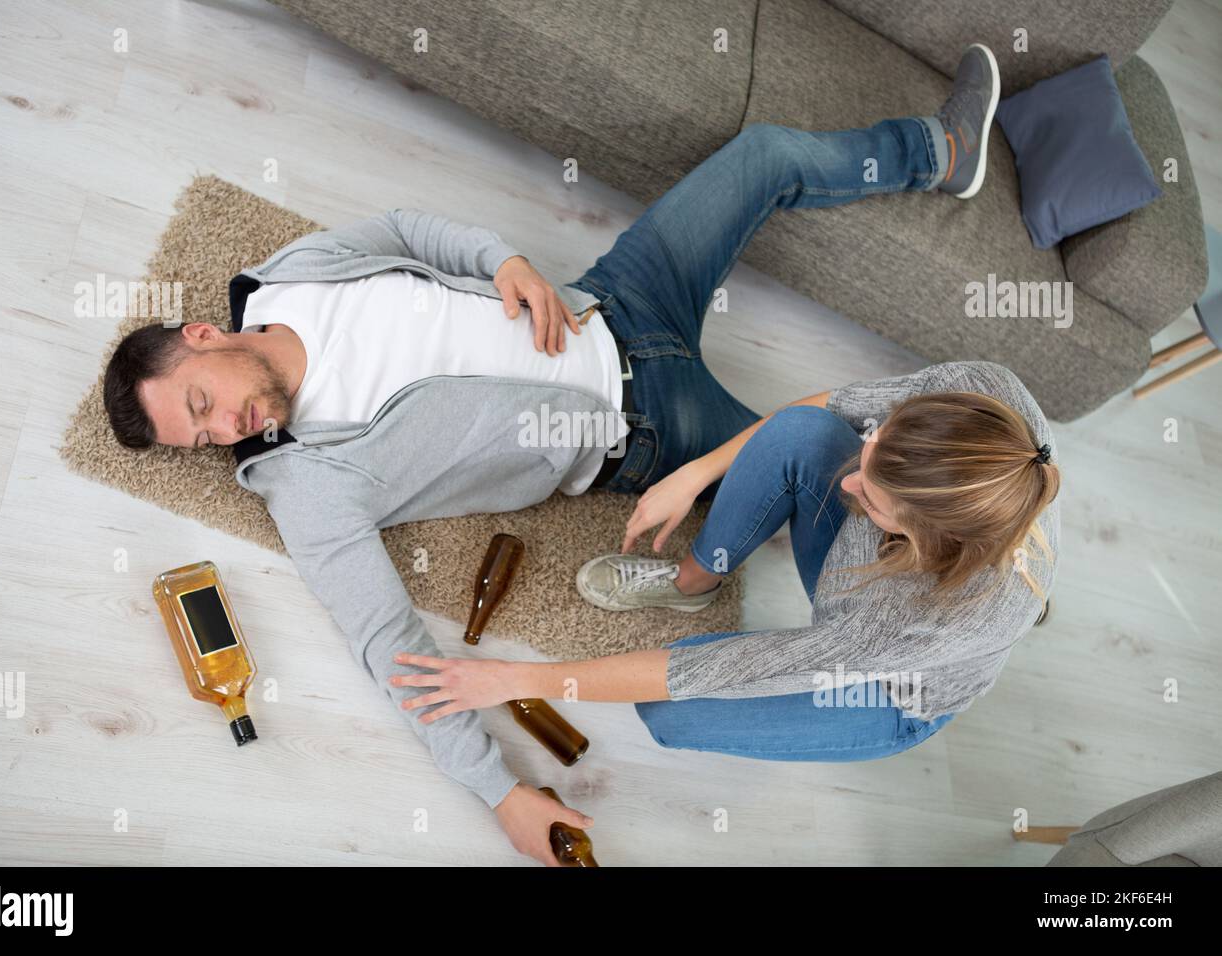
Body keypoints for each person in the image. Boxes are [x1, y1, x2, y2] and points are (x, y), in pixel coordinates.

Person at [102, 44, 1008, 865]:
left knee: (765, 152)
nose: (228, 433)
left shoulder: (297, 274)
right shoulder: (302, 479)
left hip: (612, 298)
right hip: (645, 424)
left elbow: (409, 231)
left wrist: (503, 263)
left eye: (202, 405)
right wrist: (498, 792)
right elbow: (387, 641)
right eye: (207, 441)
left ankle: (941, 153)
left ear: (206, 334)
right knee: (849, 463)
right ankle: (931, 562)